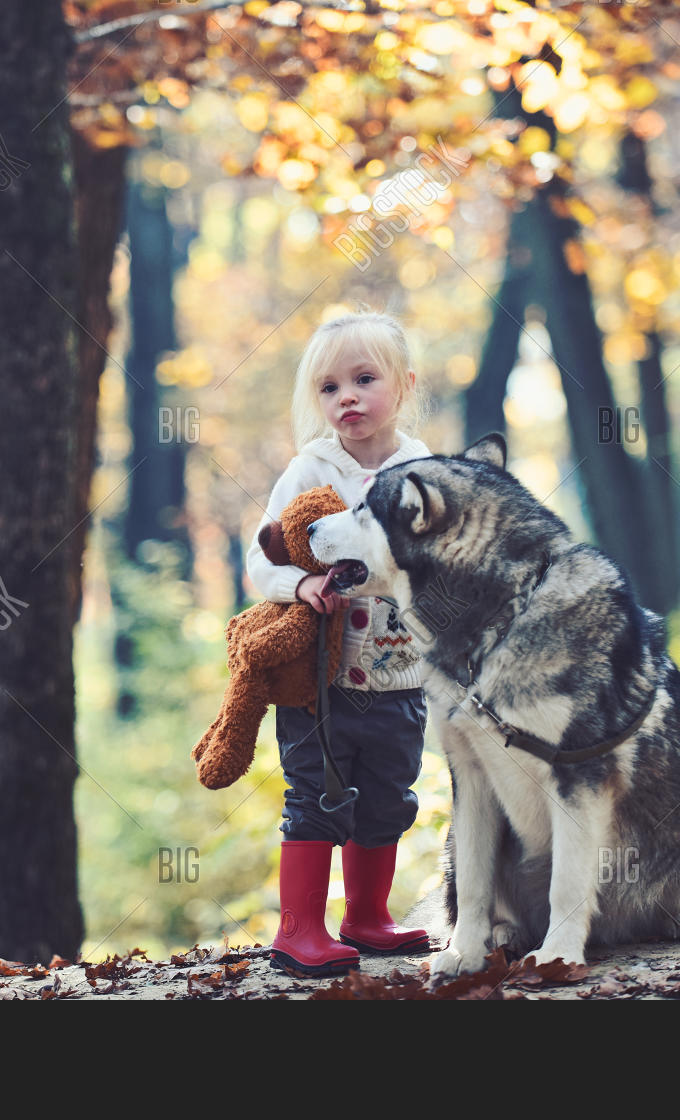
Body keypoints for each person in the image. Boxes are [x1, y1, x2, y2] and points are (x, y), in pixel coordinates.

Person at [244, 308, 435, 978]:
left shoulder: (424, 470)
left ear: (403, 386)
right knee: (318, 796)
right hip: (320, 681)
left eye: (363, 378)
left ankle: (367, 917)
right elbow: (260, 559)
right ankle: (298, 929)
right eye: (329, 387)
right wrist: (300, 588)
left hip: (401, 677)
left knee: (389, 794)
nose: (347, 396)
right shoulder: (310, 470)